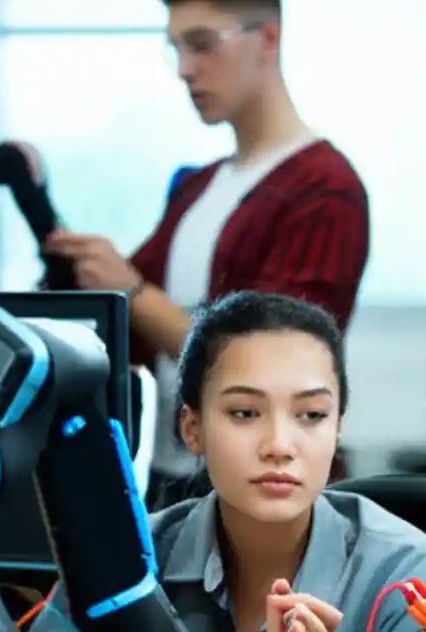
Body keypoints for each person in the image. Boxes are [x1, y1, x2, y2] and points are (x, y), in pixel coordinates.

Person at [27, 291, 426, 632]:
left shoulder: (404, 573)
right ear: (192, 427)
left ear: (338, 430)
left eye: (311, 415)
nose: (279, 446)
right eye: (244, 413)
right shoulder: (121, 566)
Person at [42, 0, 370, 490]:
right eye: (175, 48)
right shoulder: (200, 187)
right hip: (172, 478)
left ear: (268, 38)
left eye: (202, 44)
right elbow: (120, 324)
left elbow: (276, 361)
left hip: (269, 490)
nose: (184, 69)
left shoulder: (325, 190)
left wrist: (131, 291)